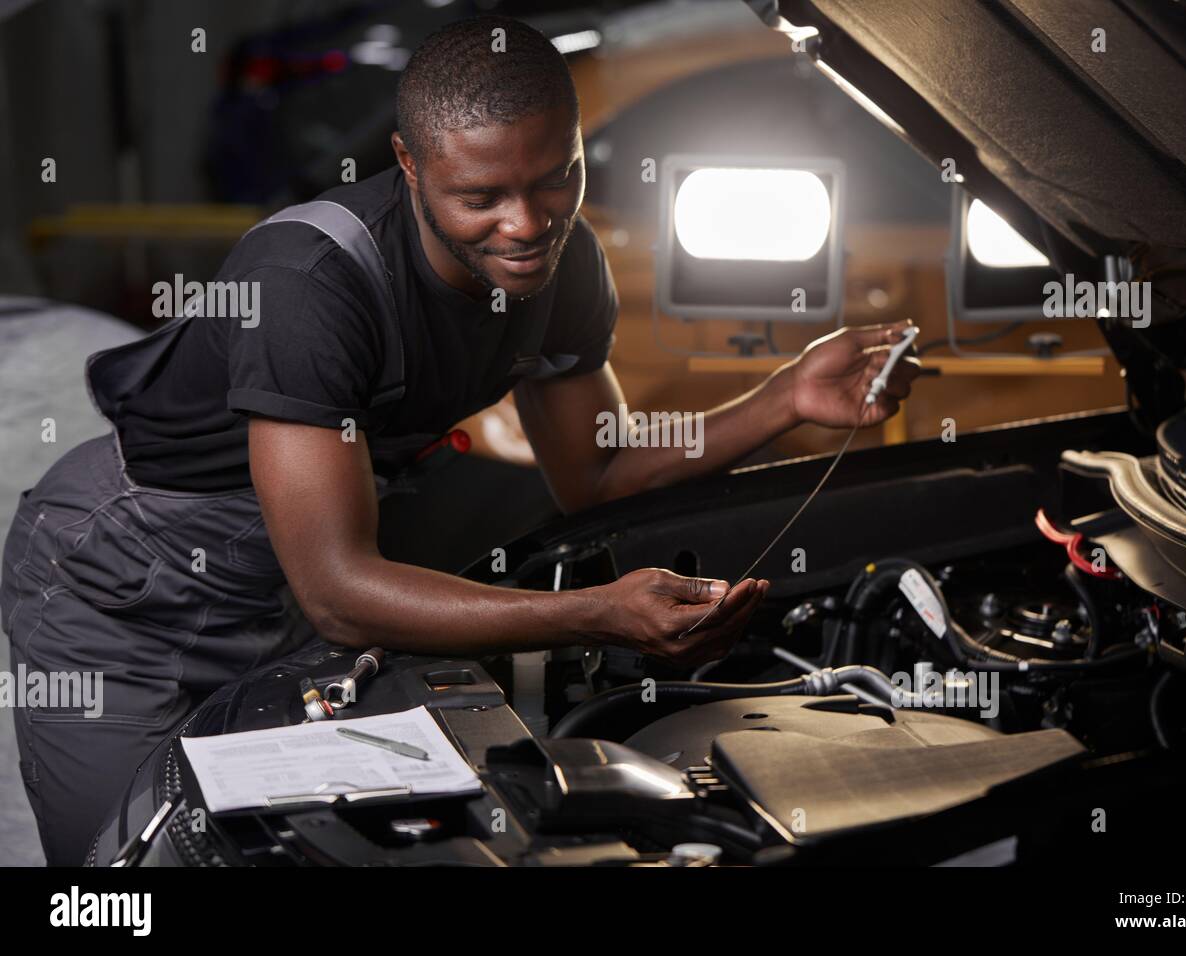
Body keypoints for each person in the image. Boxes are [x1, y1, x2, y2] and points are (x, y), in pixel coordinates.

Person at [0, 15, 918, 865]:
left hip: (280, 586)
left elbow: (594, 471)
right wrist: (596, 611)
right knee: (126, 880)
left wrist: (784, 396)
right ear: (406, 160)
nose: (526, 224)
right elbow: (343, 597)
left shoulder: (565, 263)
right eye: (481, 195)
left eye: (554, 176)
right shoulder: (309, 281)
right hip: (120, 593)